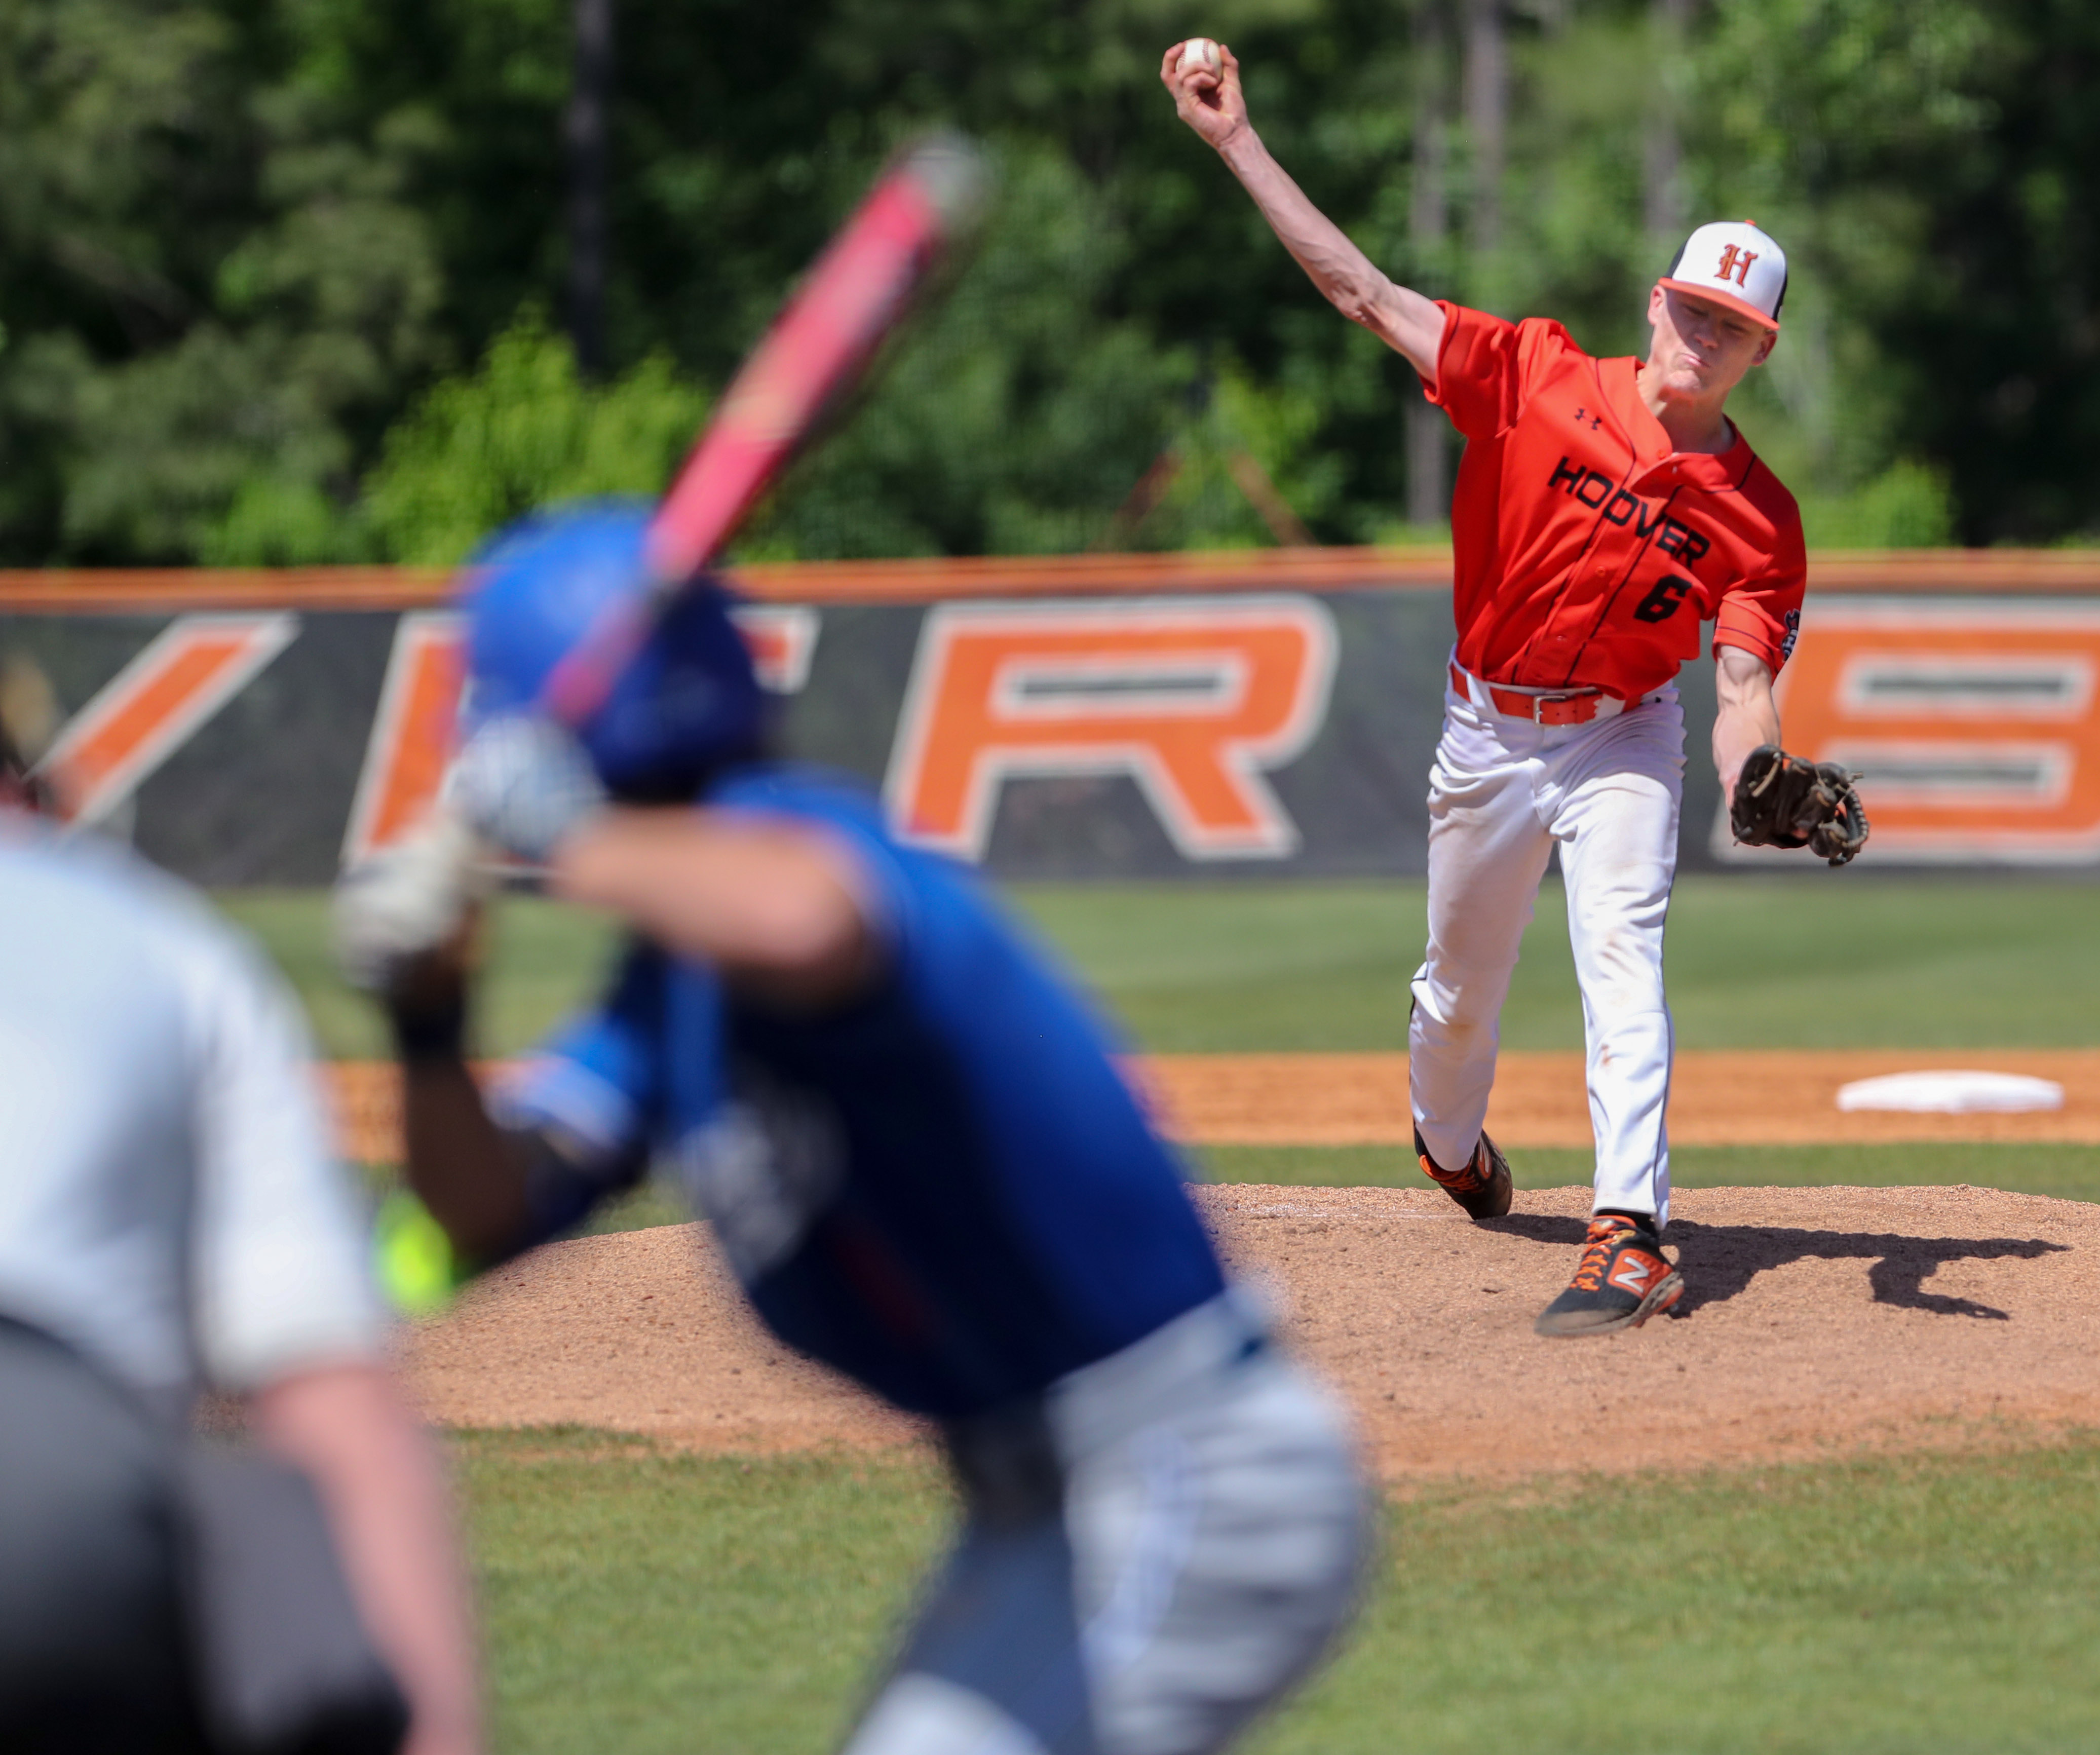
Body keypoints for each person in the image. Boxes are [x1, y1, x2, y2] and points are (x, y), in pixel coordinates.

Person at [333, 502, 1369, 1755]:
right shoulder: (667, 989)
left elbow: (808, 925)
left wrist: (566, 834)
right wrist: (430, 1023)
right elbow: (485, 1213)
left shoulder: (814, 845)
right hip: (1035, 1508)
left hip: (1191, 1474)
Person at [1163, 43, 1861, 1336]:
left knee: (1622, 955)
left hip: (1624, 738)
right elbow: (1364, 293)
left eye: (1738, 330)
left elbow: (1746, 678)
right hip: (1487, 730)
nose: (1706, 341)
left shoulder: (1761, 520)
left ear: (1762, 352)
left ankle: (1628, 1232)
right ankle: (1451, 1142)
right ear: (1656, 305)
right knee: (1456, 992)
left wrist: (1758, 773)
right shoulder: (1536, 377)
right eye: (1695, 312)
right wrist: (1236, 146)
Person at [0, 709, 481, 1754]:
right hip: (57, 1488)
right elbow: (337, 1413)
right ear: (34, 797)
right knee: (245, 1532)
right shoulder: (150, 933)